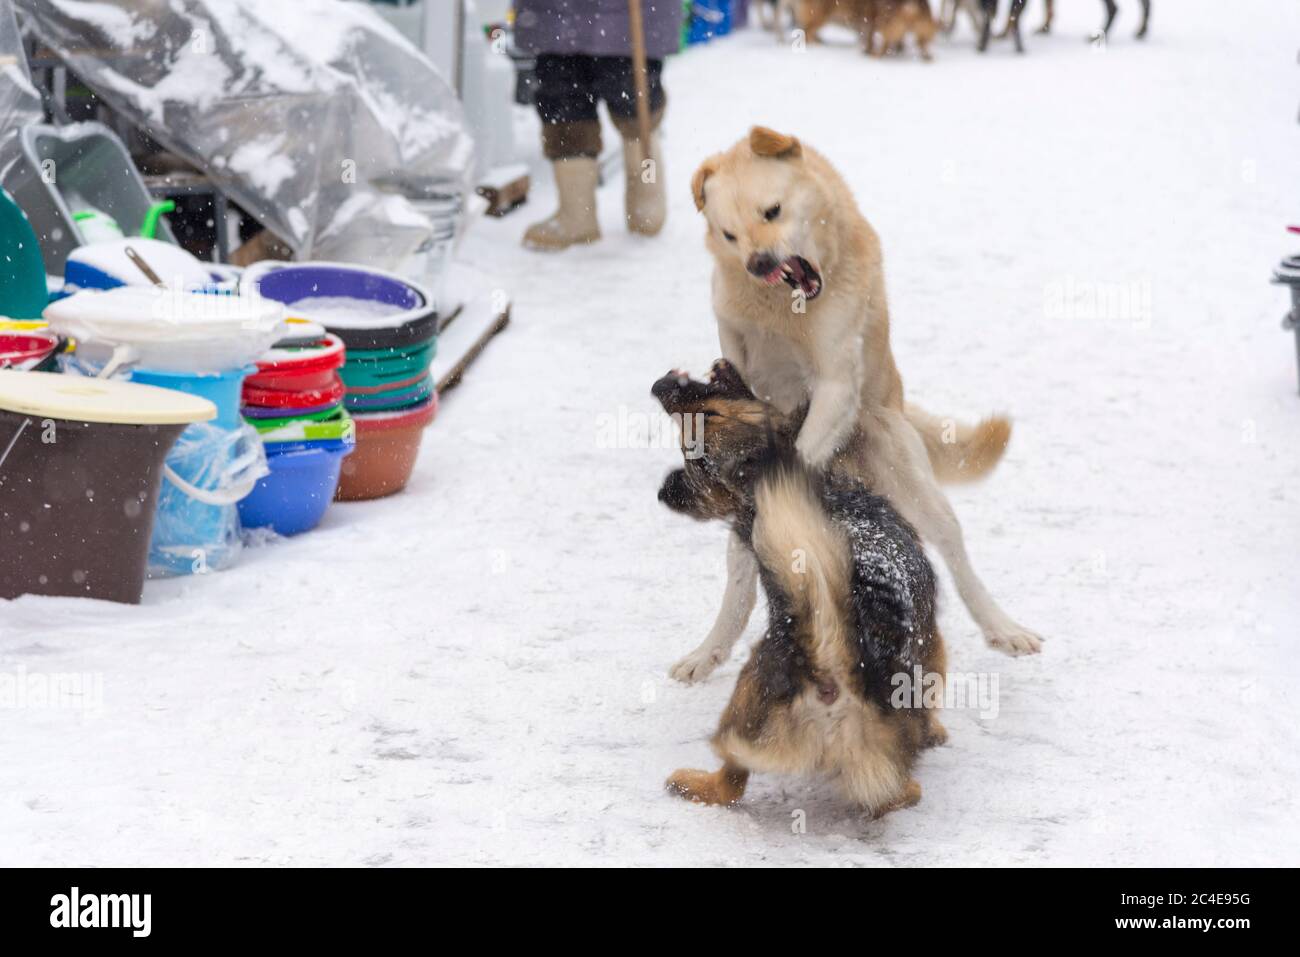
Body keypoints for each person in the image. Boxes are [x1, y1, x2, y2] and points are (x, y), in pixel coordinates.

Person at [513, 1, 683, 250]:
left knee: (637, 115)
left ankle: (647, 192)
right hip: (556, 19)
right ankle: (576, 213)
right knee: (565, 111)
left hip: (622, 18)